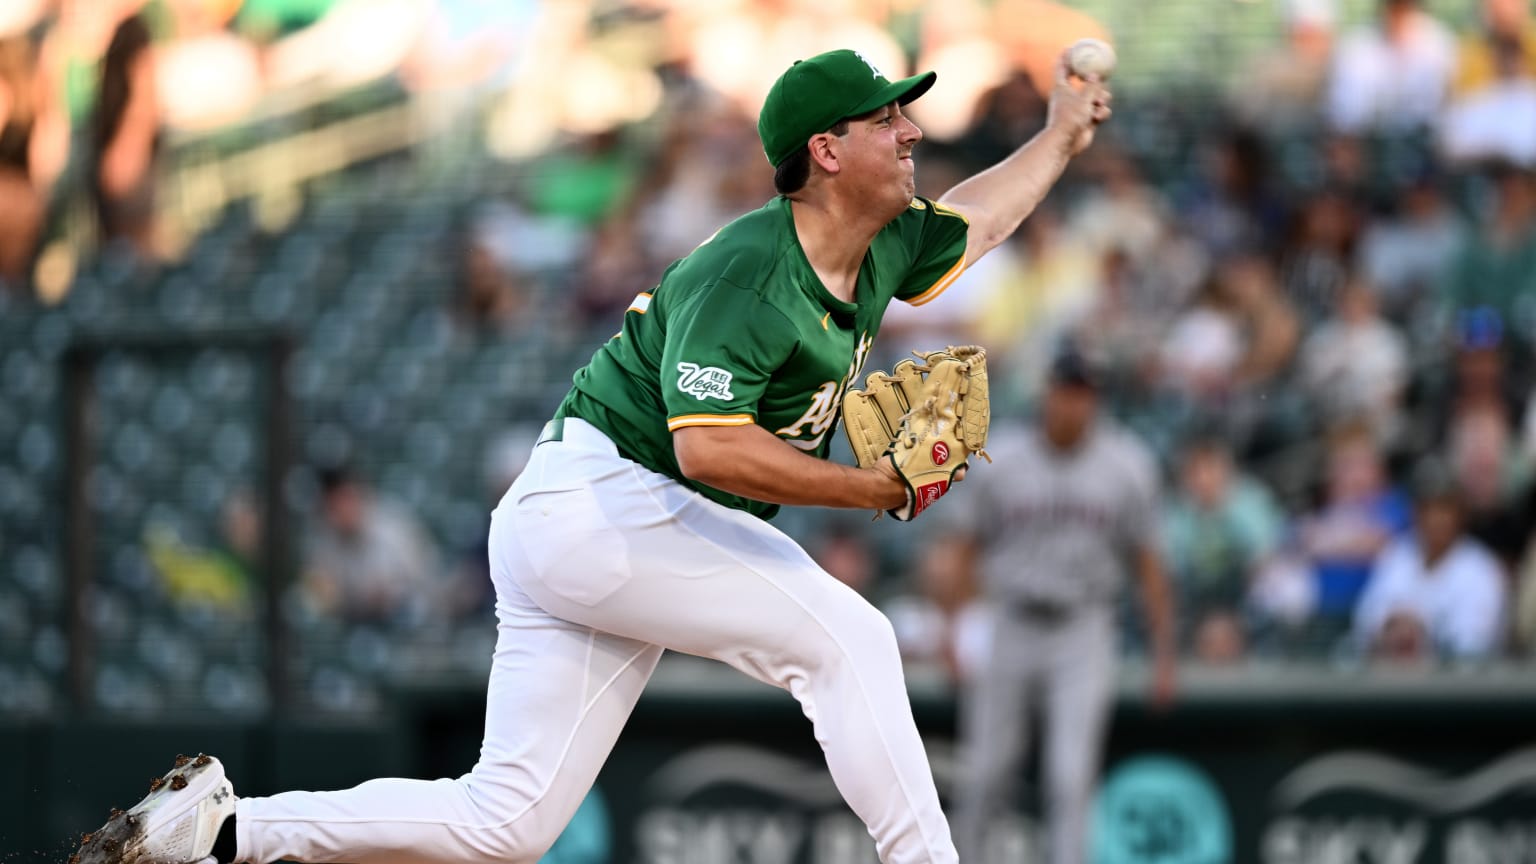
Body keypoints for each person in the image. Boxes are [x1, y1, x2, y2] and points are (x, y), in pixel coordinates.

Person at [79, 46, 1111, 864]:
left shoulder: (882, 240)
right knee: (848, 641)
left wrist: (1062, 136)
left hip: (598, 523)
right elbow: (711, 453)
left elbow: (977, 223)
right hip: (611, 504)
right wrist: (875, 490)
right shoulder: (746, 272)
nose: (912, 127)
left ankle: (221, 833)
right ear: (827, 151)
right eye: (888, 116)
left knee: (504, 825)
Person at [949, 350, 1175, 864]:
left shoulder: (1128, 465)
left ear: (1094, 400)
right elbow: (962, 548)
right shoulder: (1000, 457)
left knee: (1069, 777)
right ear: (1047, 392)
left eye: (1082, 393)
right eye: (1063, 390)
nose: (1070, 404)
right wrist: (954, 629)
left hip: (1083, 626)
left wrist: (1164, 654)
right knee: (984, 772)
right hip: (1010, 620)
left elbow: (1150, 565)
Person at [1354, 471, 1507, 660]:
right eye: (1427, 509)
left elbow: (1472, 643)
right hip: (1390, 679)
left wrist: (1419, 631)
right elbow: (1366, 618)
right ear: (1415, 513)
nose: (1435, 519)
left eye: (1444, 509)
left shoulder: (1481, 568)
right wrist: (1392, 625)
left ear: (1460, 515)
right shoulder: (1398, 553)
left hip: (1461, 685)